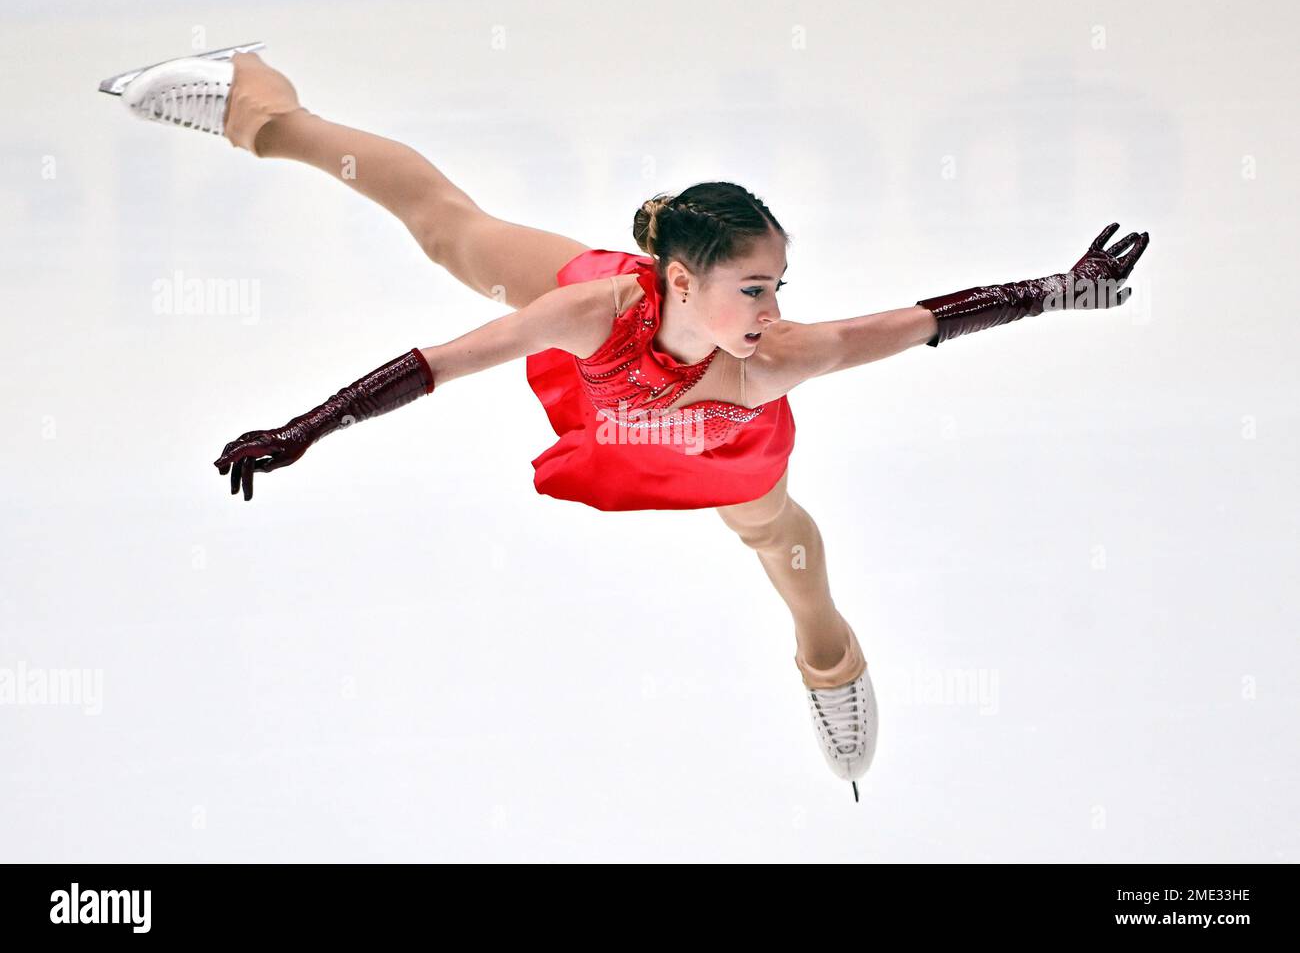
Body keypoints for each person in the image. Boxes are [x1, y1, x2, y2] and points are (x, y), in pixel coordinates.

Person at [101, 44, 1150, 801]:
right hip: (607, 377)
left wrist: (1061, 288)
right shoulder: (590, 307)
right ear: (679, 279)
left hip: (723, 451)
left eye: (780, 283)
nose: (774, 310)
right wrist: (302, 428)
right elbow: (439, 365)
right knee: (445, 229)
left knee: (785, 553)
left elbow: (928, 321)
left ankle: (829, 660)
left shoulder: (778, 356)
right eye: (752, 288)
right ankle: (256, 100)